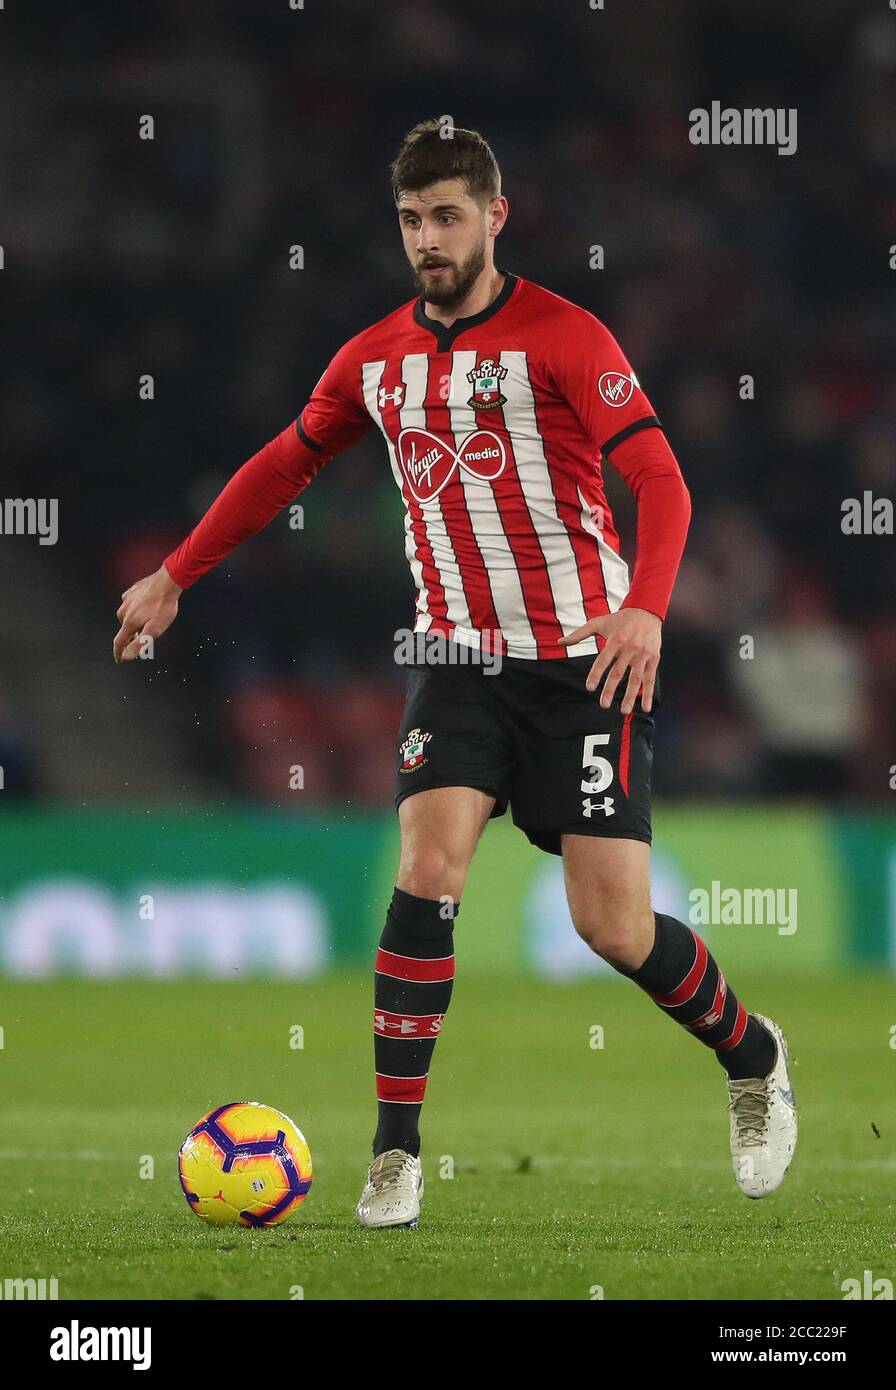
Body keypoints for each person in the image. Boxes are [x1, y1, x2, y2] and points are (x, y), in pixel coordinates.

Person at [113, 119, 797, 1229]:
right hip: (456, 662)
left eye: (445, 217)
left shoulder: (568, 338)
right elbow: (285, 460)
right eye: (409, 221)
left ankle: (752, 1052)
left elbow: (661, 484)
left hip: (584, 665)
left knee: (611, 927)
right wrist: (176, 574)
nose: (426, 240)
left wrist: (644, 608)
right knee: (427, 871)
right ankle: (394, 1155)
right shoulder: (373, 359)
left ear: (492, 217)